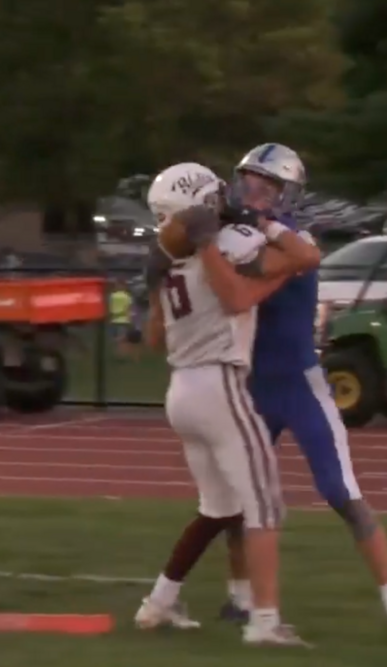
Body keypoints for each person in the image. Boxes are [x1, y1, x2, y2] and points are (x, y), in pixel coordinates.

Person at [232, 143, 387, 647]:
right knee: (239, 495)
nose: (253, 192)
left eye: (265, 185)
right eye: (248, 181)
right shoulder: (247, 236)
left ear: (286, 194)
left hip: (299, 385)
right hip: (256, 386)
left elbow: (255, 272)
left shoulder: (291, 241)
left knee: (342, 495)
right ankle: (240, 597)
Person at [134, 162, 319, 646]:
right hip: (219, 384)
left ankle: (158, 602)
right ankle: (264, 622)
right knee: (265, 506)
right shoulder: (231, 242)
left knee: (220, 508)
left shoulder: (163, 260)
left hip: (181, 392)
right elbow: (302, 256)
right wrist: (264, 226)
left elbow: (153, 337)